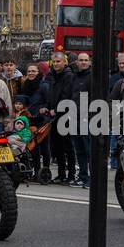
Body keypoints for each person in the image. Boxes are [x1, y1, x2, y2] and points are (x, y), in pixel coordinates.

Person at [39, 49, 76, 183]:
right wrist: (47, 107)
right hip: (54, 115)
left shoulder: (68, 76)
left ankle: (71, 175)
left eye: (58, 61)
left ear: (64, 62)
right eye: (54, 62)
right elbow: (52, 95)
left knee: (67, 146)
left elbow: (66, 95)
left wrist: (57, 109)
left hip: (65, 115)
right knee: (57, 146)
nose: (55, 64)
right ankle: (61, 174)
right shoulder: (53, 75)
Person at [70, 51, 92, 188]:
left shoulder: (93, 77)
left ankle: (91, 178)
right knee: (79, 150)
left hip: (87, 119)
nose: (83, 62)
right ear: (77, 62)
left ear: (89, 62)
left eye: (85, 60)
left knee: (89, 150)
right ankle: (83, 176)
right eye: (81, 60)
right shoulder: (75, 77)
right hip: (75, 117)